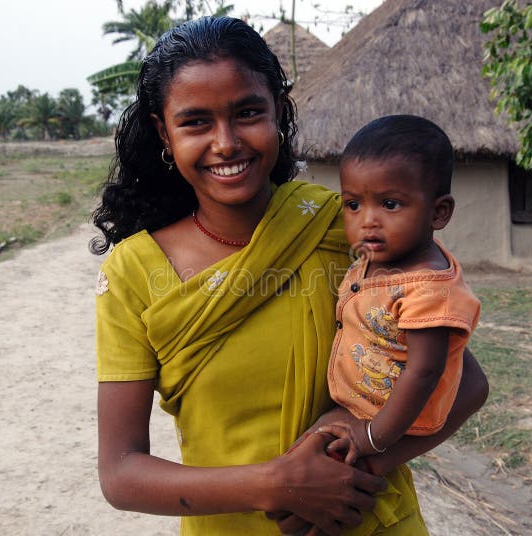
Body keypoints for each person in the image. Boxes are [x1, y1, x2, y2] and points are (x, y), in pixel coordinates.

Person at [91, 16, 488, 536]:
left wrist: (363, 463)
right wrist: (277, 485)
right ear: (164, 132)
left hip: (370, 519)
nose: (227, 142)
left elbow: (467, 382)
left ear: (279, 109)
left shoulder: (343, 229)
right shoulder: (133, 273)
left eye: (248, 112)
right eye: (196, 123)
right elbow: (121, 474)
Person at [317, 116, 481, 471]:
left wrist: (373, 438)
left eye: (390, 205)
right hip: (358, 405)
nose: (367, 221)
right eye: (353, 205)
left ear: (439, 212)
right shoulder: (380, 257)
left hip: (382, 420)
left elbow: (425, 371)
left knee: (313, 482)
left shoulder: (428, 288)